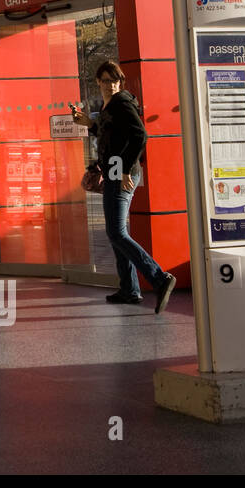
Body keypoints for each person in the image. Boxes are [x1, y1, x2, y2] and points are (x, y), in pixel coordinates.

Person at [72, 60, 177, 312]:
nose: (111, 84)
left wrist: (126, 168)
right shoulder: (110, 105)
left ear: (121, 81)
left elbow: (140, 134)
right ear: (98, 81)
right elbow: (112, 135)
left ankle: (160, 278)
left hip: (122, 173)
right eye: (106, 80)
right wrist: (90, 124)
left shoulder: (121, 102)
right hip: (114, 171)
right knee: (115, 232)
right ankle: (129, 289)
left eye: (115, 80)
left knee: (117, 232)